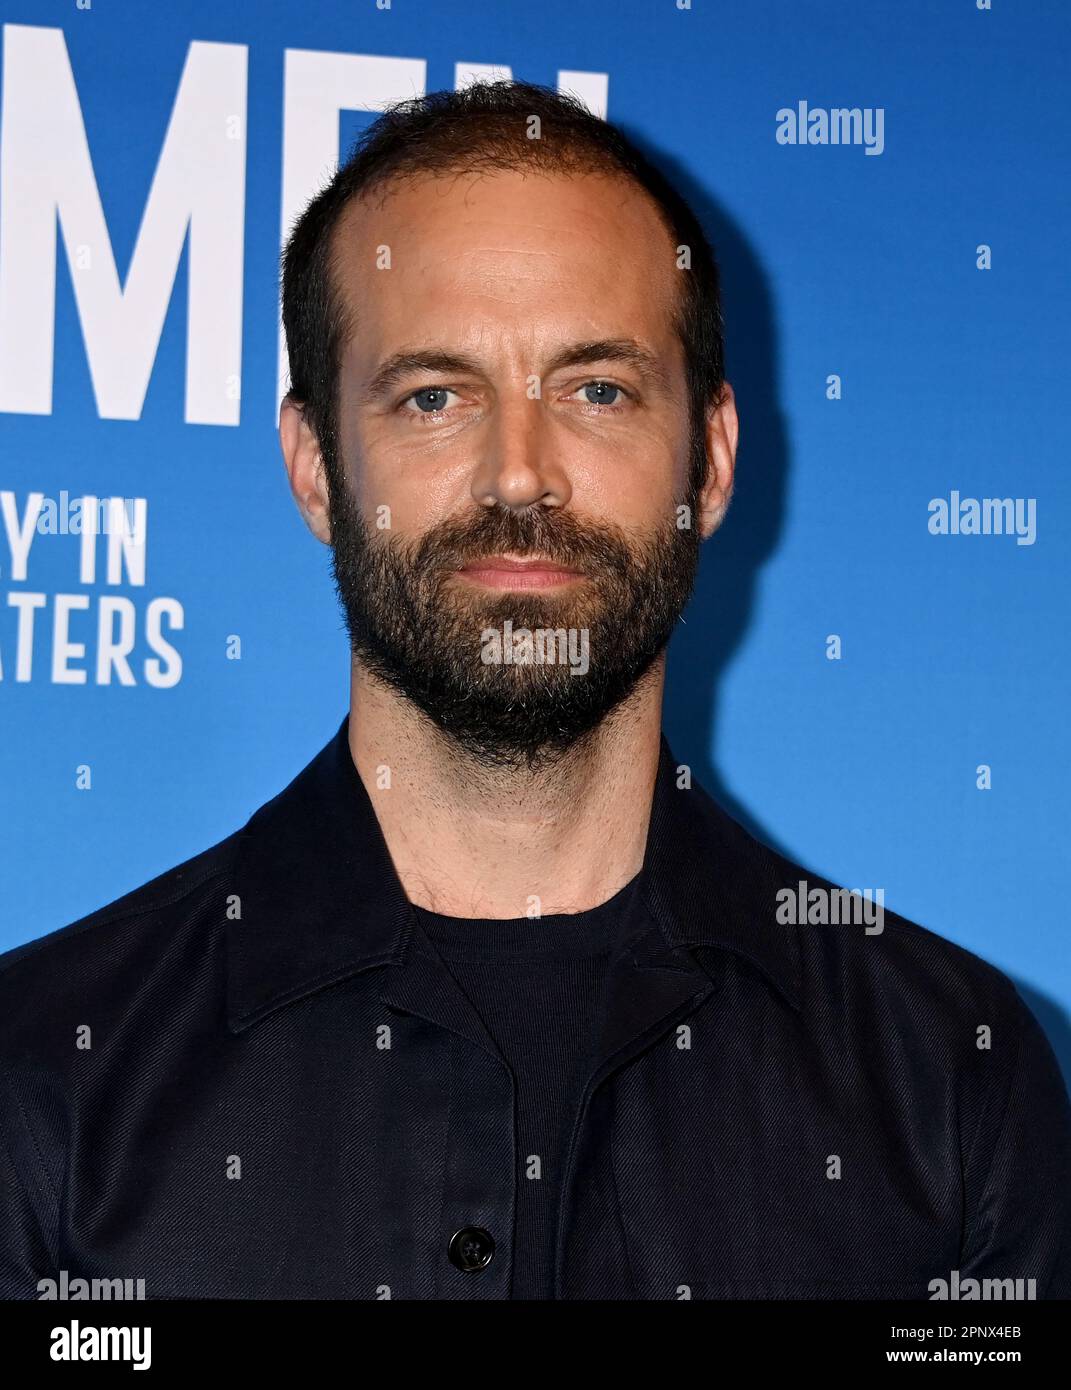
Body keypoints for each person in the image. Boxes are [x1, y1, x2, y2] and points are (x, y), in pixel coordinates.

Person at [1, 80, 1068, 1301]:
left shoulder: (952, 1086)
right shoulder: (46, 1079)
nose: (521, 475)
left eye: (597, 390)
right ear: (313, 467)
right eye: (435, 396)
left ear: (710, 462)